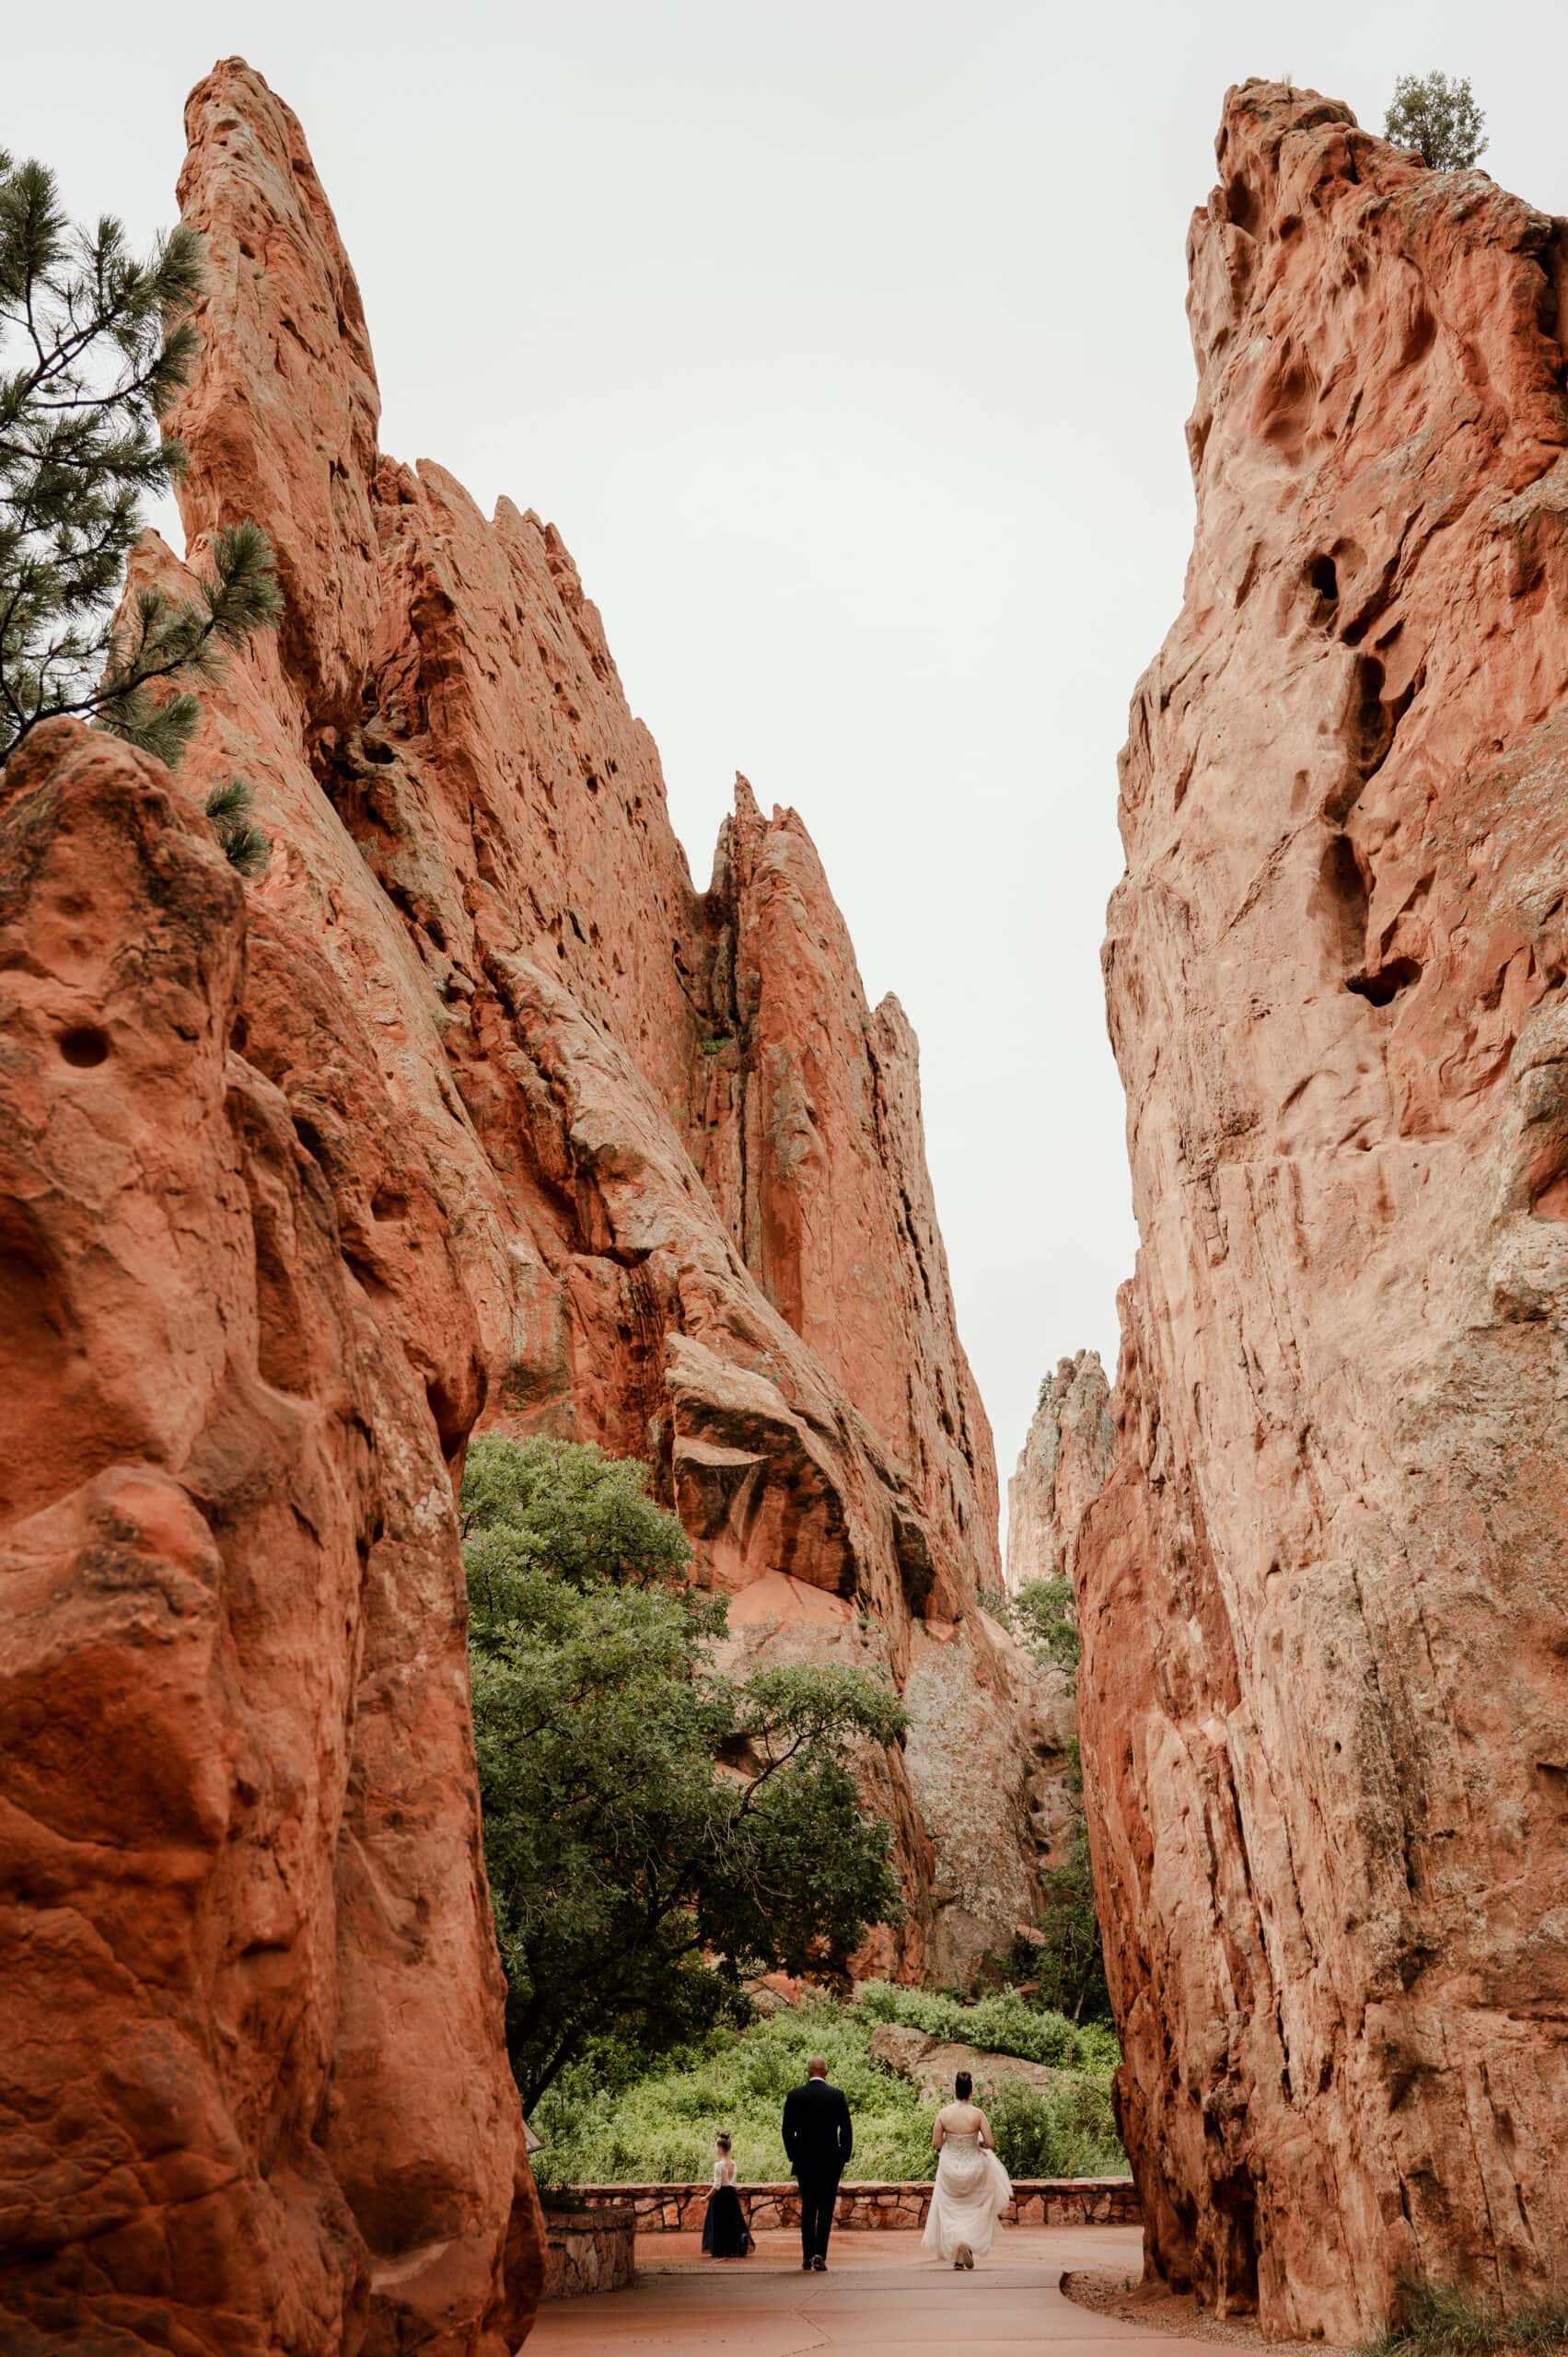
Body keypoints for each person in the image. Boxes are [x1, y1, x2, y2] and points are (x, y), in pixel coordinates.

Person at [922, 2070, 1012, 2270]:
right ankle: (967, 2245)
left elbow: (936, 2144)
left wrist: (950, 2140)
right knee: (974, 2208)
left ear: (955, 2090)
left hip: (950, 2169)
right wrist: (977, 2144)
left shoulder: (944, 2114)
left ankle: (958, 2254)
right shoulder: (977, 2114)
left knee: (951, 2209)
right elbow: (990, 2143)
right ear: (971, 2091)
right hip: (974, 2169)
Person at [781, 2055, 853, 2271]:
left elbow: (787, 2130)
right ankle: (820, 2254)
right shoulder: (836, 2095)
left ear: (808, 2072)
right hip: (830, 2161)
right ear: (826, 2072)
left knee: (809, 2207)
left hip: (804, 2162)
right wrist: (843, 2156)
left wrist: (794, 2154)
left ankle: (806, 2255)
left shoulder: (794, 2096)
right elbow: (846, 2129)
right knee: (826, 2207)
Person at [701, 2132, 753, 2258]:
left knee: (718, 2223)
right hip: (732, 2195)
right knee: (732, 2221)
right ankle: (735, 2246)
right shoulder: (733, 2164)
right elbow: (733, 2182)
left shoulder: (718, 2165)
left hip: (720, 2197)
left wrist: (706, 2198)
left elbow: (717, 2186)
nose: (715, 2150)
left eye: (715, 2147)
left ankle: (718, 2249)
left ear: (720, 2149)